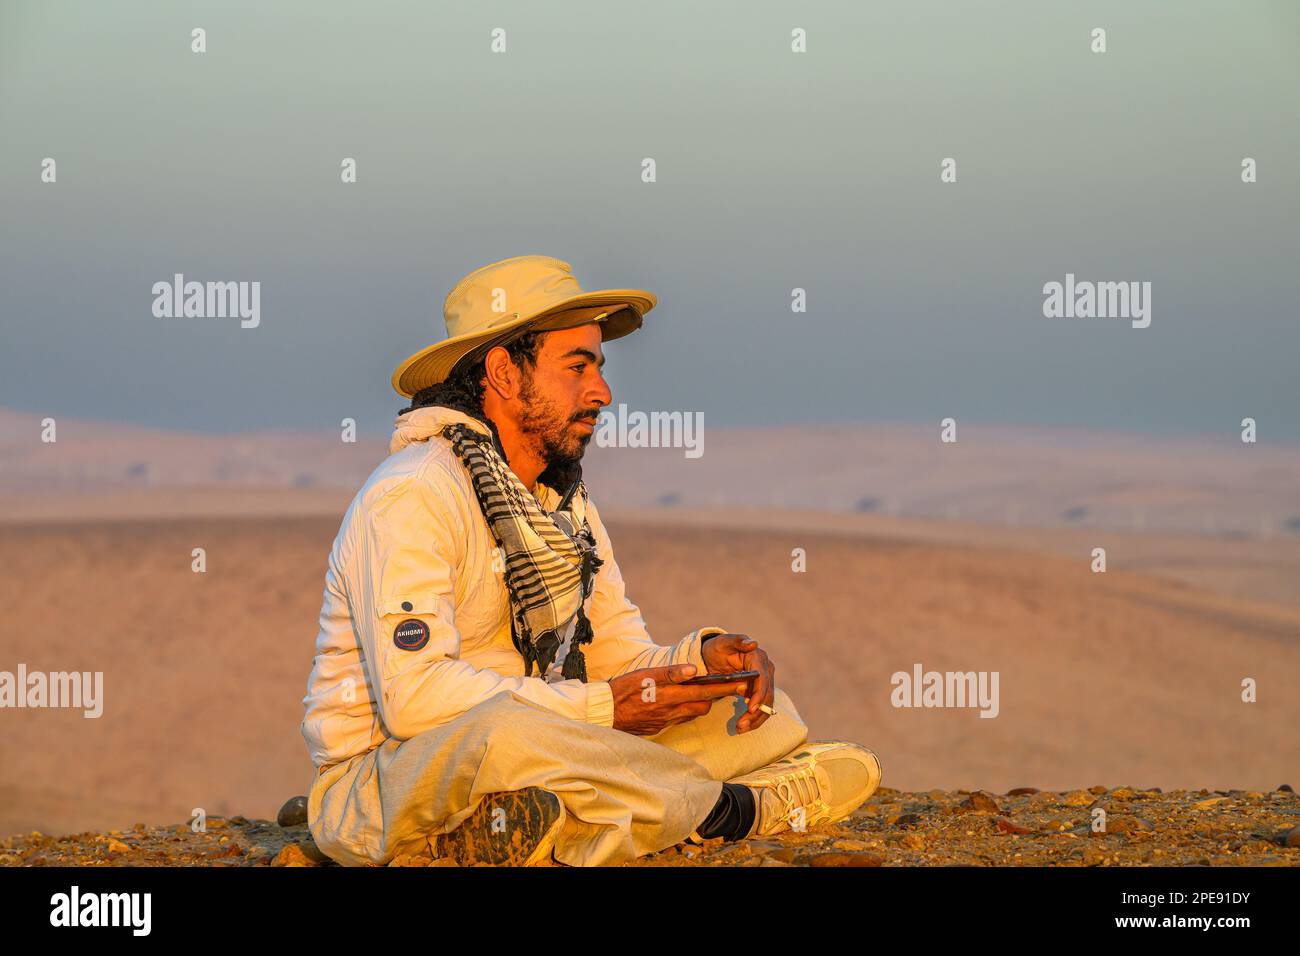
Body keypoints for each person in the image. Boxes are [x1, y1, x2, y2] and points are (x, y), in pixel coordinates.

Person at [300, 255, 882, 866]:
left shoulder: (562, 502)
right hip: (386, 780)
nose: (601, 392)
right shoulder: (415, 492)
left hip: (558, 744)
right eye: (577, 367)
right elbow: (416, 701)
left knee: (760, 712)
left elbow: (615, 656)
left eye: (598, 369)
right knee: (507, 733)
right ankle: (736, 810)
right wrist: (605, 708)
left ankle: (545, 828)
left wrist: (694, 664)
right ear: (502, 372)